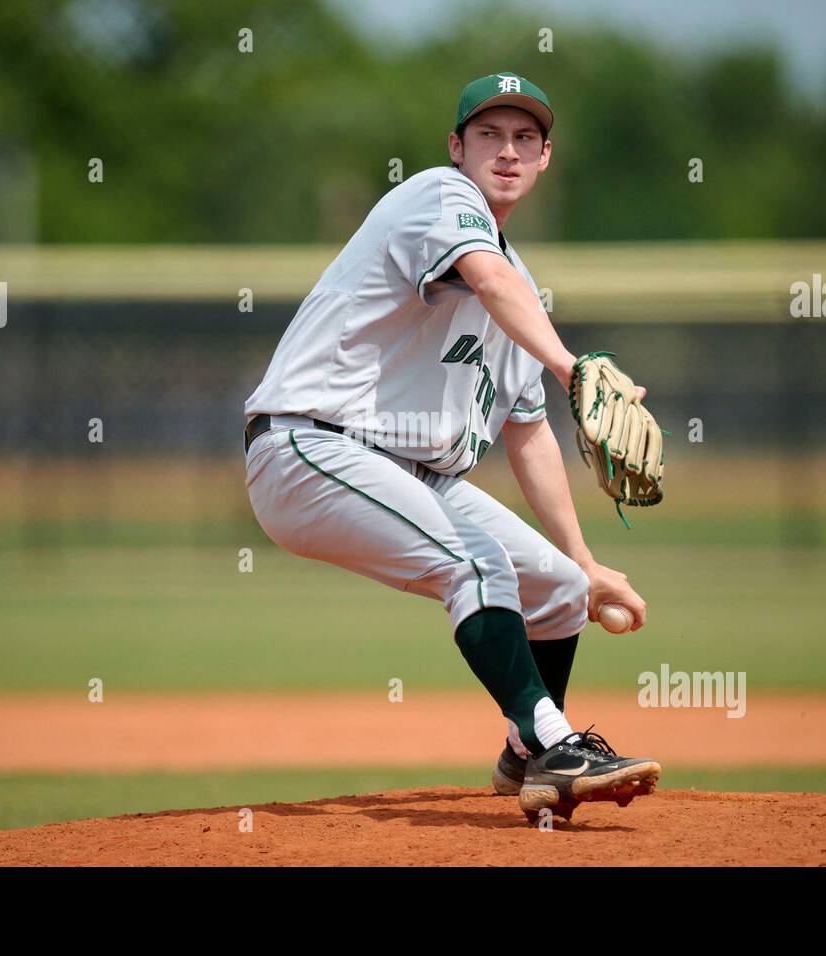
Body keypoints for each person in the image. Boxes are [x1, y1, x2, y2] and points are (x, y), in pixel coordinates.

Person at [243, 71, 659, 821]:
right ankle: (555, 742)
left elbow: (527, 432)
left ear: (545, 158)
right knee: (477, 564)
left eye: (524, 138)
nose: (507, 151)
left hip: (406, 471)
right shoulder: (439, 197)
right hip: (307, 448)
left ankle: (530, 754)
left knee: (558, 589)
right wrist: (575, 368)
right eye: (489, 136)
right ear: (456, 149)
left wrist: (586, 561)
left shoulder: (520, 289)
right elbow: (489, 280)